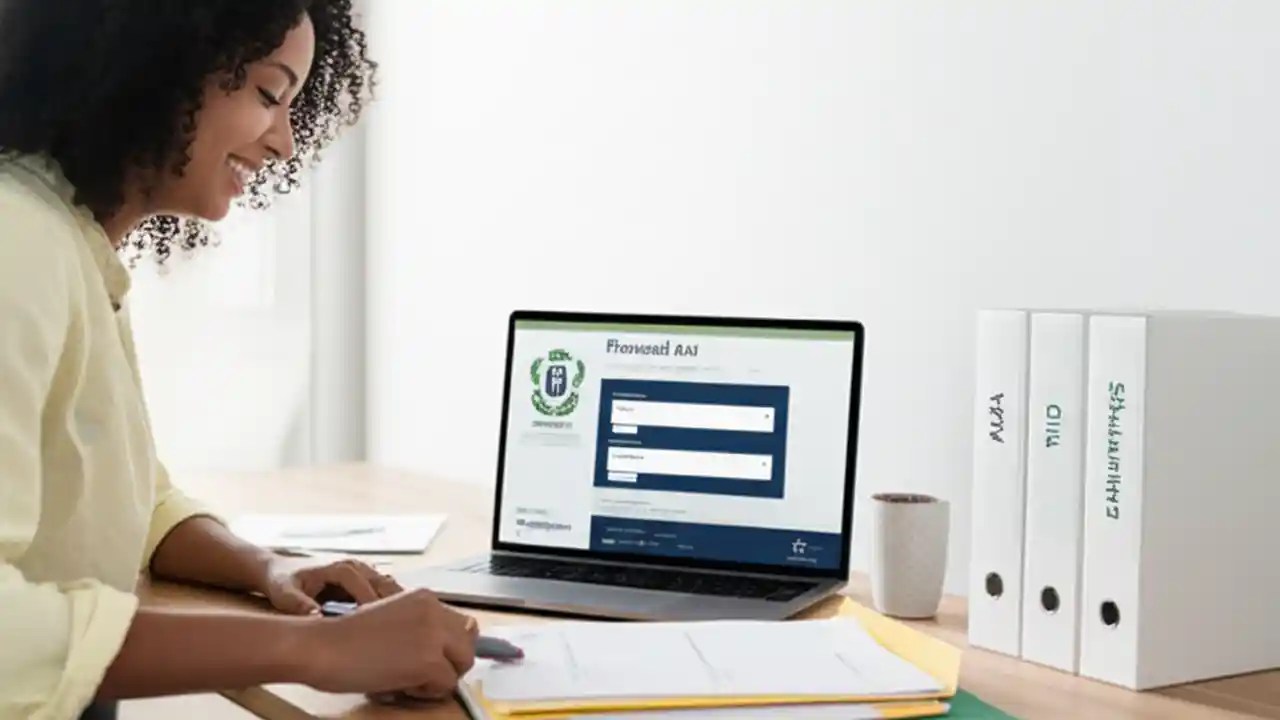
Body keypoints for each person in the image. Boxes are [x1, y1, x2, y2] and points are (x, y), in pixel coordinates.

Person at [0, 2, 480, 718]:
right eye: (266, 94)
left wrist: (270, 568)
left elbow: (132, 497)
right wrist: (315, 652)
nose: (283, 142)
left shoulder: (67, 239)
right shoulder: (18, 243)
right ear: (158, 67)